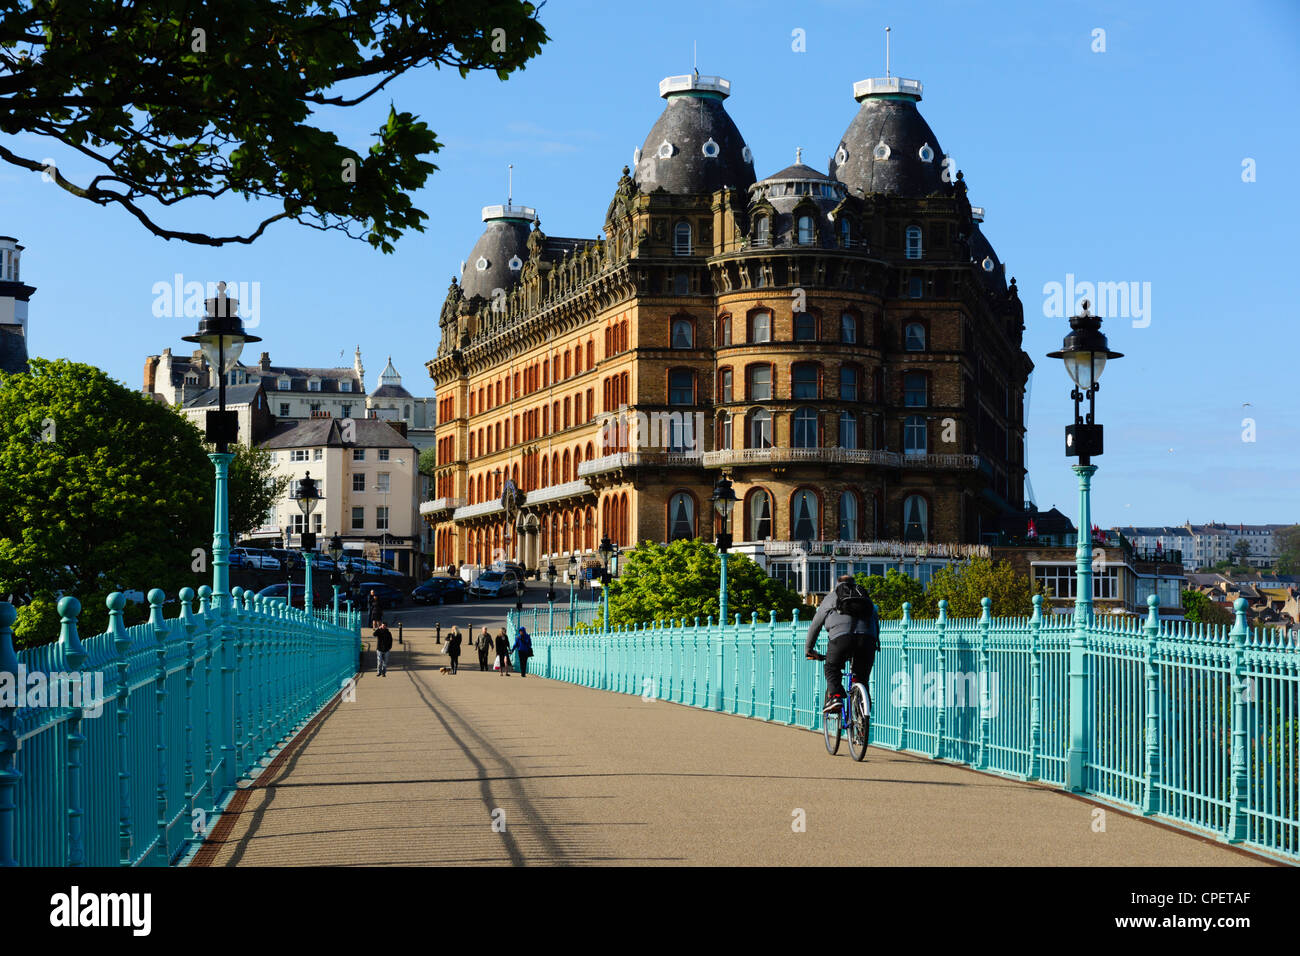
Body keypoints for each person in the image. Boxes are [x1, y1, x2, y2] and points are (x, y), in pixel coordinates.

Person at [806, 574, 879, 712]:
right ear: (854, 583)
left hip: (841, 639)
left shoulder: (831, 597)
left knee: (831, 667)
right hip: (867, 640)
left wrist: (809, 649)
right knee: (861, 677)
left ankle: (835, 697)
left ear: (837, 584)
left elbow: (815, 625)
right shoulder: (864, 597)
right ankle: (863, 710)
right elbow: (875, 620)